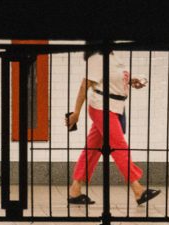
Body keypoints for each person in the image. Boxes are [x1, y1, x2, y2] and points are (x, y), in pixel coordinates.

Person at [65, 48, 159, 207]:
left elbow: (110, 79)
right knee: (120, 147)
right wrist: (76, 113)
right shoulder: (96, 57)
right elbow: (84, 86)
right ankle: (138, 190)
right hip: (102, 108)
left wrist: (131, 81)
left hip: (115, 108)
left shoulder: (114, 57)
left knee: (92, 149)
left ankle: (75, 190)